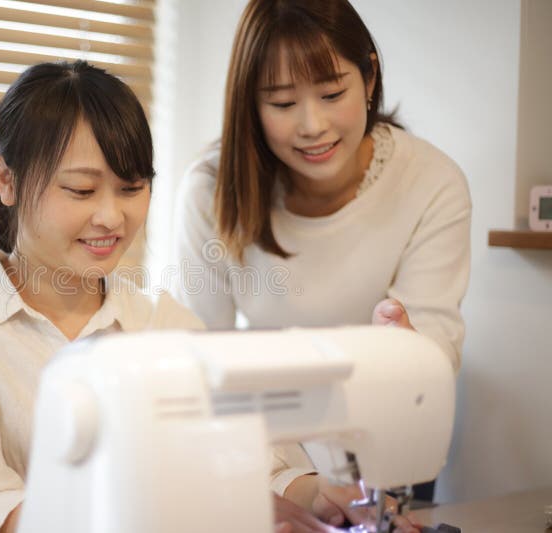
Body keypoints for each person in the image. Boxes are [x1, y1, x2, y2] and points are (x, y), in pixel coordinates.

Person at [0, 61, 206, 533]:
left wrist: (307, 495)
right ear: (7, 180)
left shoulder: (167, 325)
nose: (111, 216)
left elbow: (253, 466)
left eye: (131, 188)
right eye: (81, 190)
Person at [173, 0, 471, 531]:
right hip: (264, 453)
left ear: (370, 76)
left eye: (333, 94)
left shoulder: (432, 183)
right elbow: (197, 360)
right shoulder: (209, 193)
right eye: (283, 103)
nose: (312, 125)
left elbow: (435, 353)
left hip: (383, 437)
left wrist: (411, 351)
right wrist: (284, 480)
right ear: (250, 105)